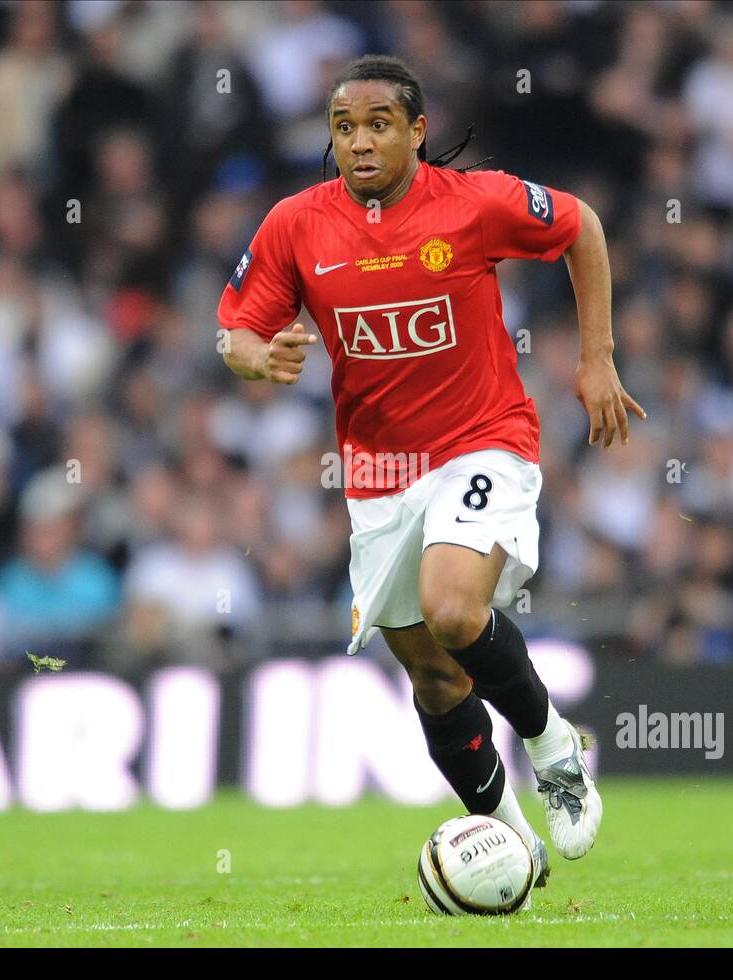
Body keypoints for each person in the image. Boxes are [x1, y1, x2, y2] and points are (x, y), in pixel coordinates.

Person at [217, 55, 645, 892]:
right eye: (345, 127)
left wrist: (597, 358)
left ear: (416, 131)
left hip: (482, 441)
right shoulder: (296, 225)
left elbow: (581, 226)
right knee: (432, 672)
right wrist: (254, 357)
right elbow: (233, 331)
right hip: (378, 474)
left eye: (379, 124)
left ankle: (554, 746)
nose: (360, 141)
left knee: (455, 611)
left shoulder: (475, 202)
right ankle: (511, 842)